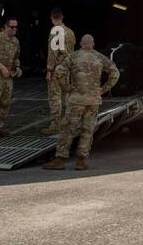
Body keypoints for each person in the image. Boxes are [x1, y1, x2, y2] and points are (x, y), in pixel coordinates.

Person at [42, 34, 118, 171]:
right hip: (93, 100)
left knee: (68, 129)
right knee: (88, 130)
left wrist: (66, 88)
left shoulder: (74, 56)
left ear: (81, 44)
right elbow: (115, 73)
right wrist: (103, 89)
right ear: (93, 44)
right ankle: (81, 161)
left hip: (76, 99)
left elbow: (59, 72)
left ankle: (60, 159)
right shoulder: (100, 57)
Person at [43, 8, 76, 136]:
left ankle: (55, 126)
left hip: (57, 68)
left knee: (55, 97)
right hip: (67, 68)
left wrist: (49, 70)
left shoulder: (55, 31)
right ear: (62, 17)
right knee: (65, 96)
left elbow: (53, 52)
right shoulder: (70, 32)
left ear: (52, 18)